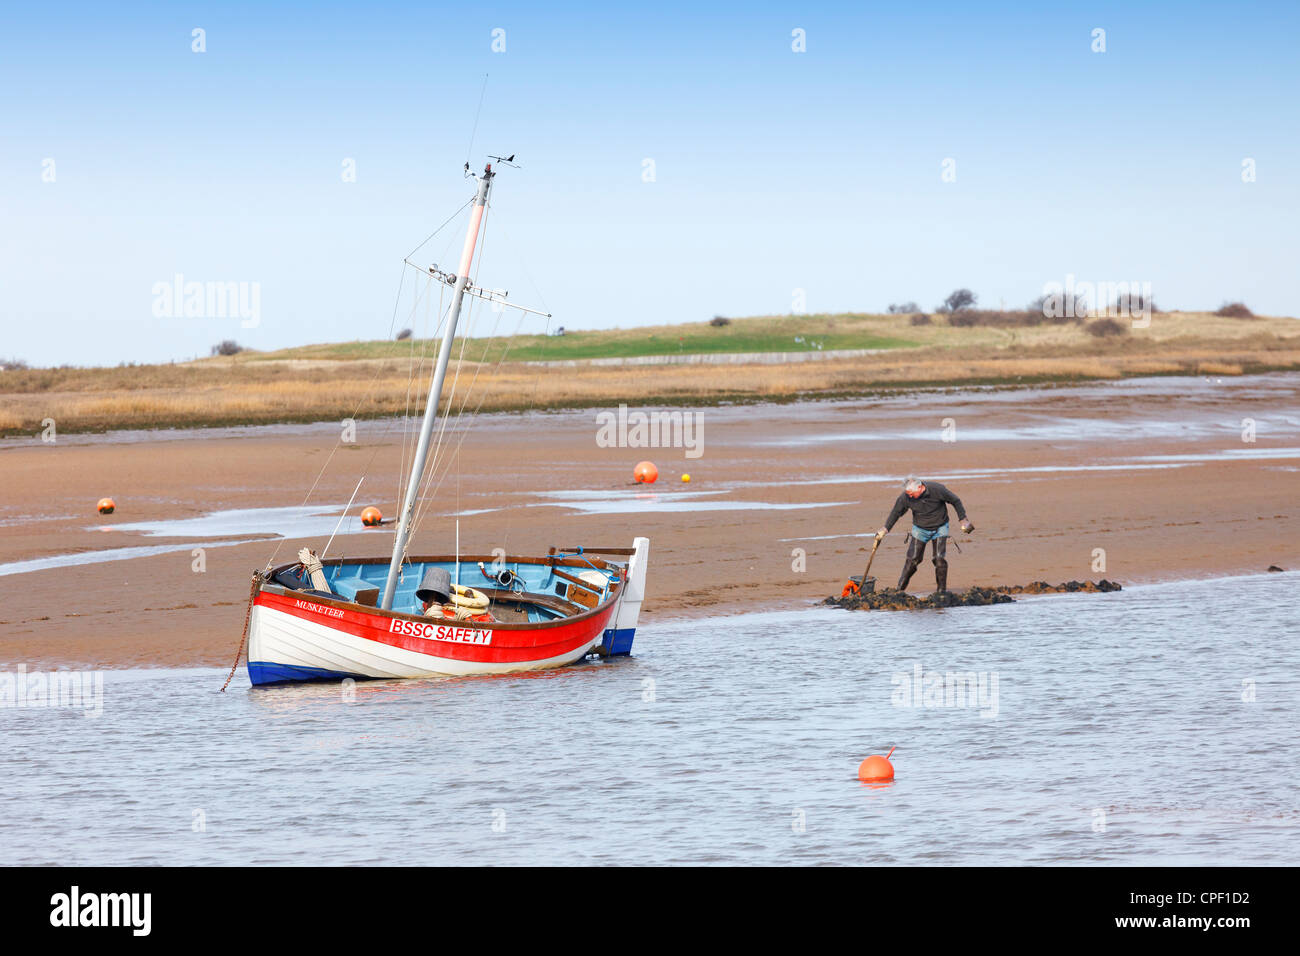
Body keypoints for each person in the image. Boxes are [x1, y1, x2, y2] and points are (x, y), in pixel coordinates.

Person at [875, 476, 974, 592]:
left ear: (920, 487)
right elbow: (896, 513)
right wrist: (885, 529)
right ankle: (899, 590)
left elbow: (955, 500)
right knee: (912, 560)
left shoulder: (937, 489)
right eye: (908, 493)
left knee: (939, 559)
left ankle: (941, 591)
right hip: (920, 529)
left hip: (940, 527)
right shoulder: (905, 497)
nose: (909, 496)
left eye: (911, 493)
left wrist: (963, 519)